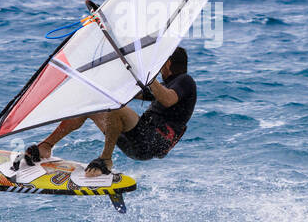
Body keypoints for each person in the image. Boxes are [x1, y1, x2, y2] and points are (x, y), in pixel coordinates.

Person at [26, 46, 196, 178]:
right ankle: (46, 146)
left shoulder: (185, 81)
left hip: (152, 141)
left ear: (167, 63)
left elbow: (167, 99)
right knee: (91, 105)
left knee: (117, 107)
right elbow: (131, 92)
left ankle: (106, 160)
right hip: (136, 141)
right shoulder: (165, 86)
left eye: (160, 63)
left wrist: (149, 74)